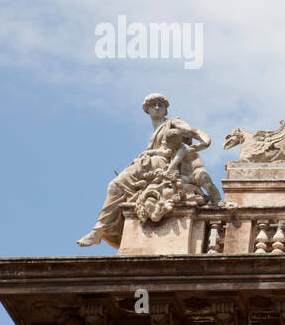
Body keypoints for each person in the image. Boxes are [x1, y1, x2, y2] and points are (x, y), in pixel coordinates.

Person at [78, 94, 221, 247]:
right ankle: (99, 230)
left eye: (161, 105)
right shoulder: (155, 131)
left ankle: (99, 230)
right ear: (147, 110)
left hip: (160, 164)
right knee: (114, 186)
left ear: (166, 110)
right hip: (148, 164)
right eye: (153, 105)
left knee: (116, 185)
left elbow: (192, 132)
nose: (157, 107)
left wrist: (205, 142)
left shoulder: (173, 123)